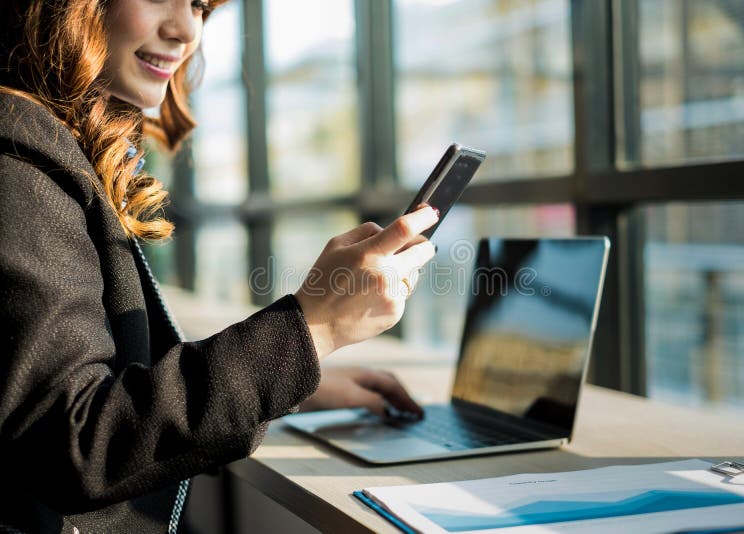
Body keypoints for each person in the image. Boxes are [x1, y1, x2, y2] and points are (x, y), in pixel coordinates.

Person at [0, 0, 438, 532]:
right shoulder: (18, 161)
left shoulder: (47, 145)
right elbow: (74, 446)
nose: (187, 29)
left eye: (201, 5)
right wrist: (312, 328)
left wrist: (293, 378)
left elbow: (95, 377)